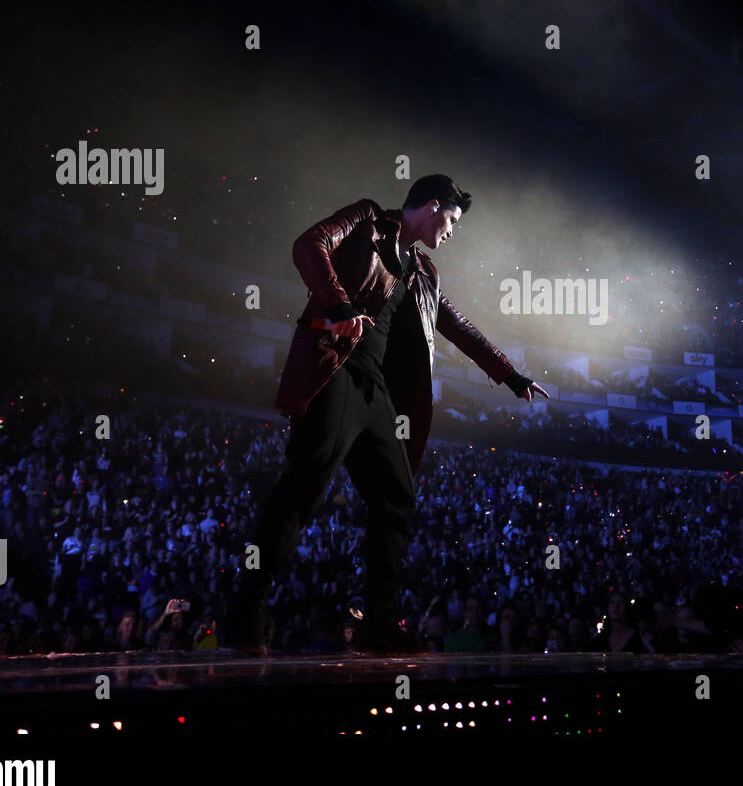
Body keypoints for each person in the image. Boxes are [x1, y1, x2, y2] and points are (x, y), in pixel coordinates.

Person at [223, 176, 547, 656]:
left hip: (374, 390)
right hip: (334, 367)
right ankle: (243, 614)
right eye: (453, 221)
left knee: (396, 496)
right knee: (303, 488)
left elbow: (455, 324)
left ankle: (379, 625)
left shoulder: (424, 272)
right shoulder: (366, 218)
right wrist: (337, 301)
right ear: (433, 206)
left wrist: (511, 374)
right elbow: (308, 243)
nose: (452, 232)